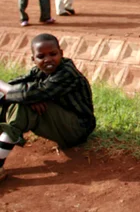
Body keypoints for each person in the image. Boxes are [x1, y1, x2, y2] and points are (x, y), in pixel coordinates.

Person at [0, 33, 96, 182]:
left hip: (77, 129)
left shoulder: (67, 73)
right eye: (41, 56)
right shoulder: (39, 71)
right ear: (34, 59)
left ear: (61, 53)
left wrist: (26, 97)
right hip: (60, 124)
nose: (48, 59)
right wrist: (27, 97)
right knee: (13, 99)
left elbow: (25, 94)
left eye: (53, 54)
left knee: (23, 106)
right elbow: (15, 87)